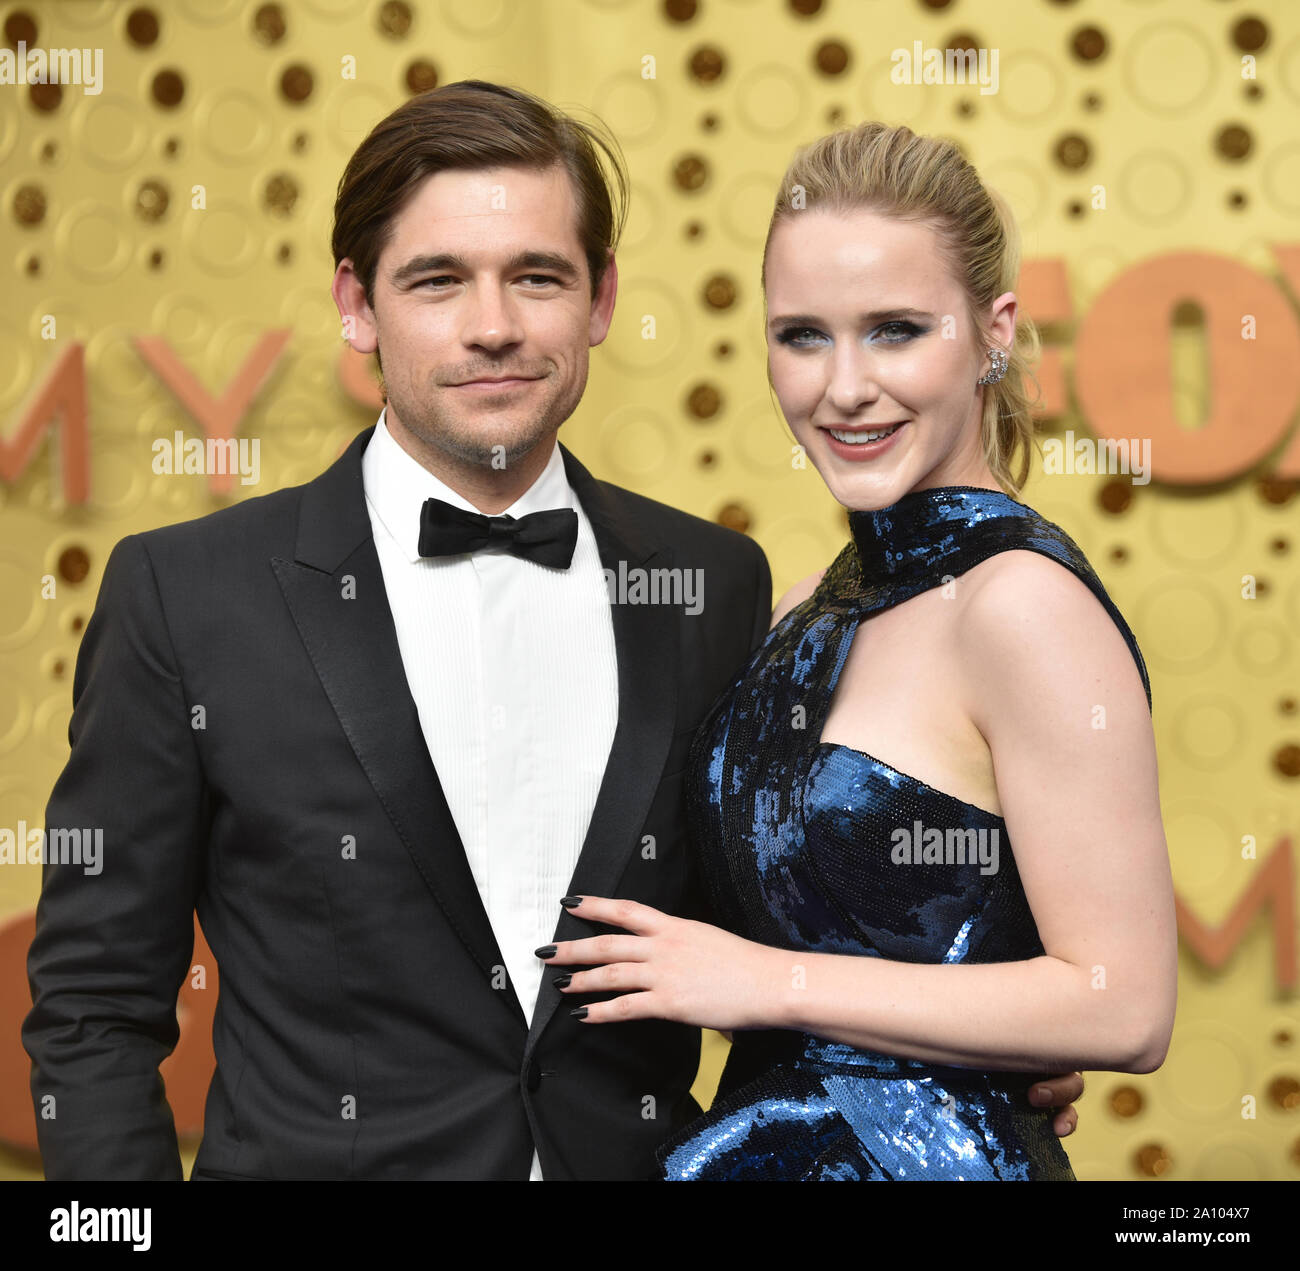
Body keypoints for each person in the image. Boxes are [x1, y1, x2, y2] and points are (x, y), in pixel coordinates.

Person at [23, 85, 1083, 1181]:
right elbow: (93, 1006)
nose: (493, 325)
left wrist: (967, 1047)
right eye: (438, 280)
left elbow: (782, 920)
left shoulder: (714, 586)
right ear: (356, 304)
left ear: (600, 298)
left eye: (537, 276)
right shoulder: (188, 595)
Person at [538, 121, 1177, 1181]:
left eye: (895, 331)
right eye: (802, 336)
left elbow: (1125, 1005)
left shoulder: (1021, 607)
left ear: (993, 333)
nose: (843, 387)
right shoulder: (800, 609)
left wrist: (768, 984)